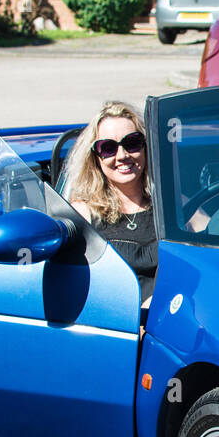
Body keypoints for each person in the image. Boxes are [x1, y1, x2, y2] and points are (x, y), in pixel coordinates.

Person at [66, 101, 156, 305]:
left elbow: (216, 237)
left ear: (146, 147)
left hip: (172, 323)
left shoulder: (171, 206)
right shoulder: (82, 214)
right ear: (95, 158)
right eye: (108, 148)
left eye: (132, 142)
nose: (122, 155)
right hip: (118, 328)